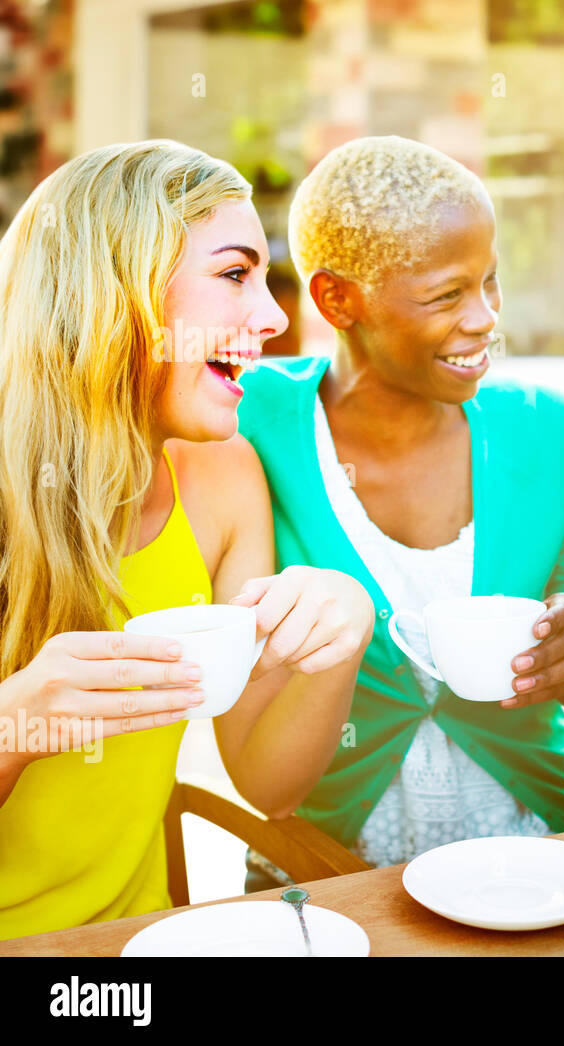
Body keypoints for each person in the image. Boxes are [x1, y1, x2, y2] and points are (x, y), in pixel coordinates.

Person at [0, 140, 374, 939]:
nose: (274, 318)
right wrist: (13, 728)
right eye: (235, 274)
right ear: (113, 292)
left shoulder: (223, 478)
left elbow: (268, 783)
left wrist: (342, 632)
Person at [235, 136, 564, 877]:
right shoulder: (251, 422)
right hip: (322, 869)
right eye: (447, 295)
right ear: (336, 300)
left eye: (490, 282)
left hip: (526, 859)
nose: (484, 318)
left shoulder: (546, 431)